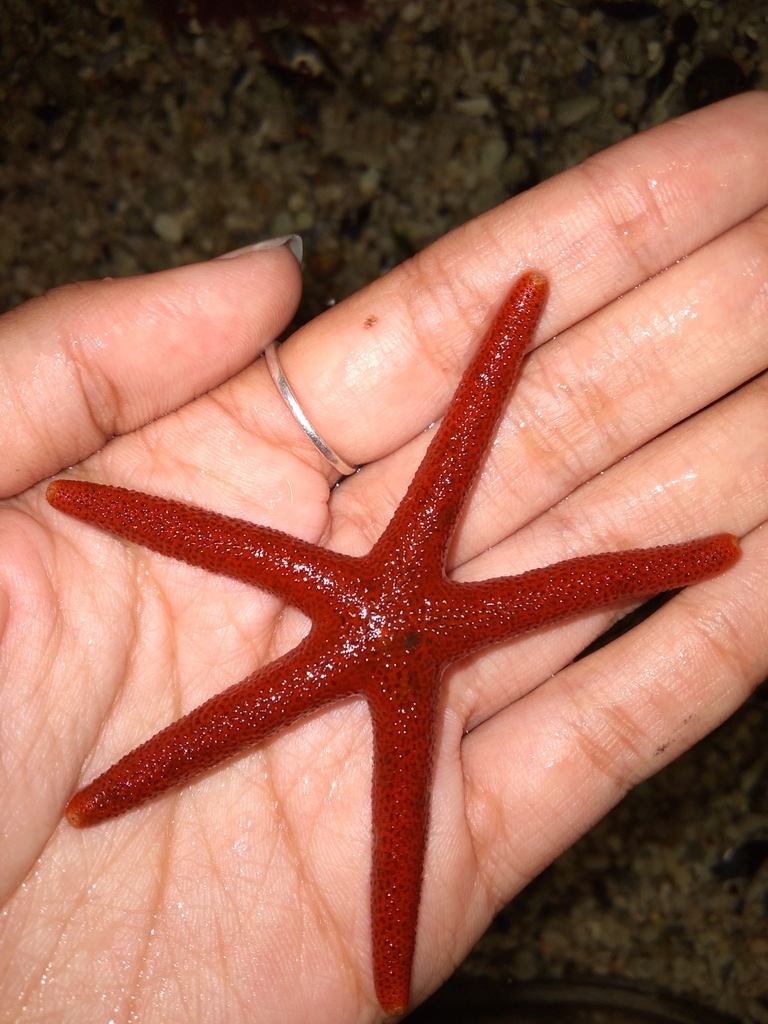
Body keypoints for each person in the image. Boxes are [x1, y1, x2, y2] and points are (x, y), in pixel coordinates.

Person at [0, 91, 766, 1022]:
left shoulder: (382, 620)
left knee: (470, 508)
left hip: (383, 629)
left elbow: (491, 484)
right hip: (385, 632)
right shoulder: (395, 619)